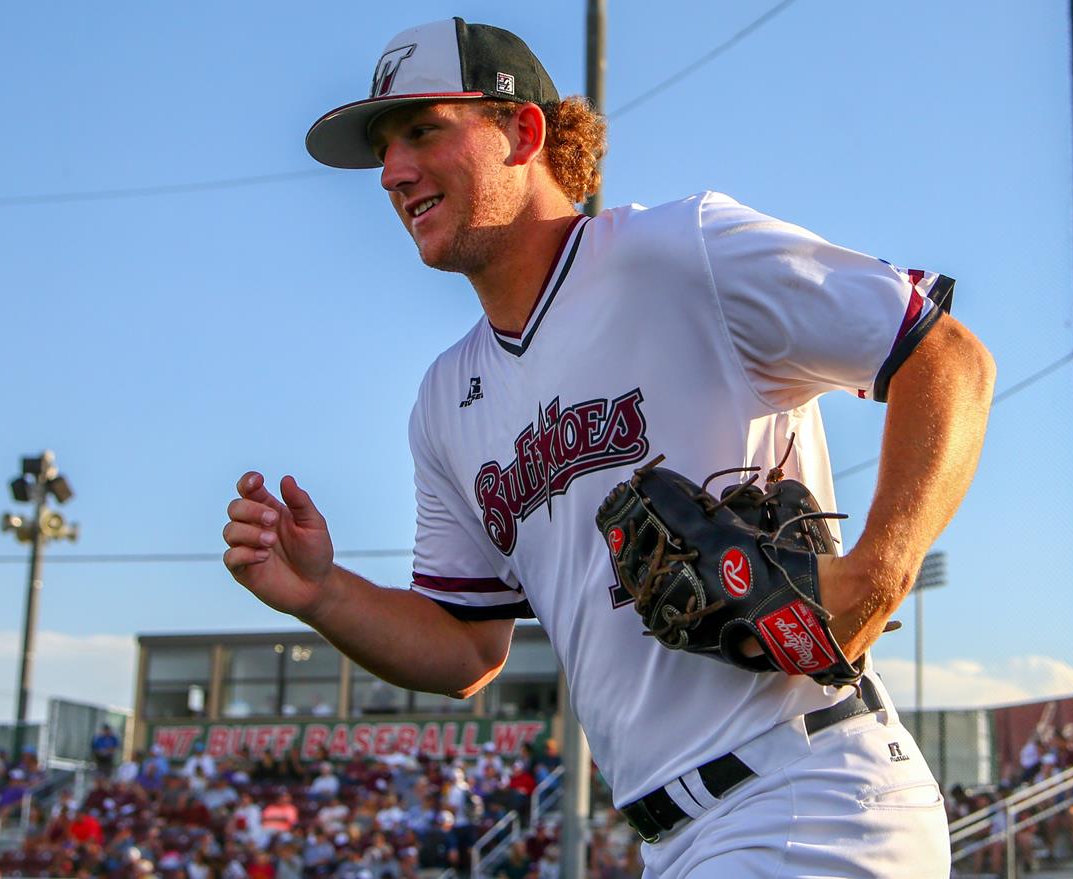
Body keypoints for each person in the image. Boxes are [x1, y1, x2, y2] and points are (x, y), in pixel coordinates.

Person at [225, 17, 993, 878]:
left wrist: (880, 570)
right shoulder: (446, 401)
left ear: (523, 130)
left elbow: (947, 356)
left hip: (809, 795)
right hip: (679, 837)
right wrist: (325, 592)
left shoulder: (682, 251)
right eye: (383, 149)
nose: (393, 171)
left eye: (422, 128)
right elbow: (466, 649)